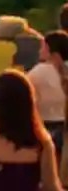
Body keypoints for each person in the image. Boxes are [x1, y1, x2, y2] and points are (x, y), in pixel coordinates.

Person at [29, 31, 67, 162]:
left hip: (44, 125)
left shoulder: (38, 71)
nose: (40, 50)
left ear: (50, 50)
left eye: (42, 47)